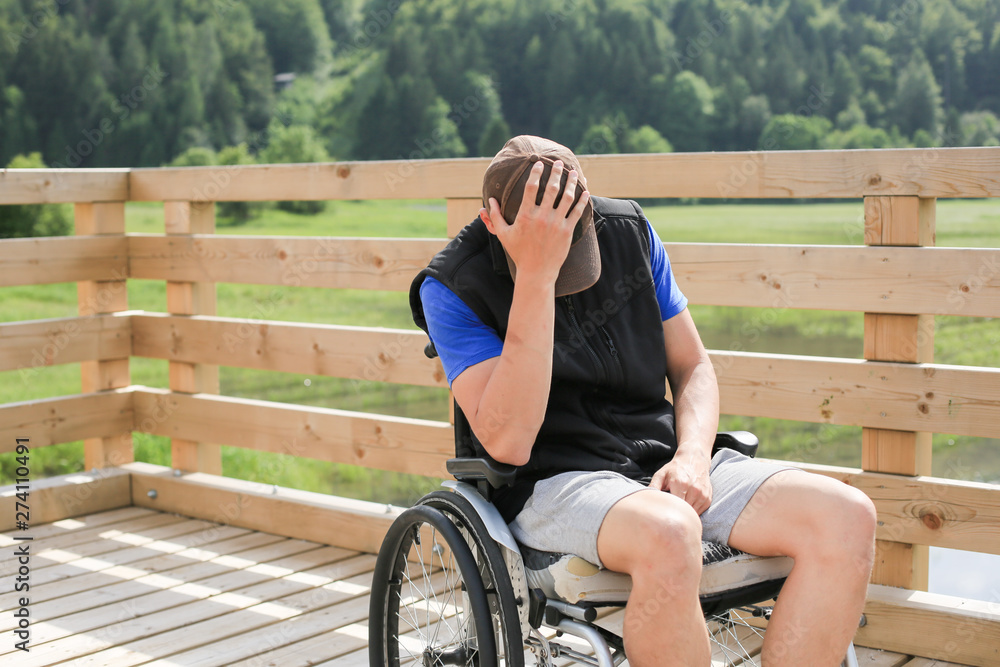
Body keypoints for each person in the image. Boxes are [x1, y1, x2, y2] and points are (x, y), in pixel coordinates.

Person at [410, 135, 876, 666]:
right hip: (554, 482)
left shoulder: (627, 232)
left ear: (586, 205)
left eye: (573, 236)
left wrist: (693, 457)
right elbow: (508, 442)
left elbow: (693, 366)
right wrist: (536, 275)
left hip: (662, 462)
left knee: (847, 516)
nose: (567, 259)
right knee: (669, 531)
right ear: (492, 222)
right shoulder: (452, 285)